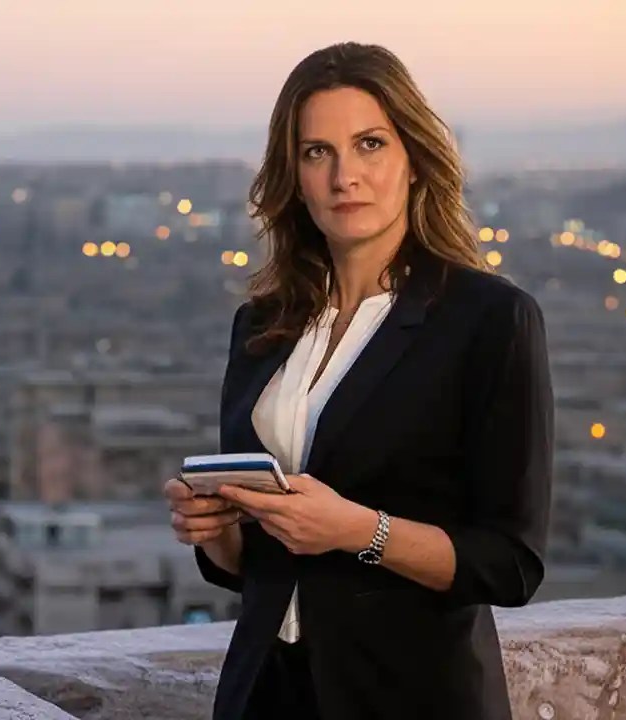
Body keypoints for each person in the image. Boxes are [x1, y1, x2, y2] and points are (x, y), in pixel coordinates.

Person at [163, 42, 553, 720]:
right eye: (317, 152)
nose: (345, 175)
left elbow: (510, 563)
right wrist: (215, 527)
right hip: (266, 694)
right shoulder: (262, 326)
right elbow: (255, 567)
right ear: (294, 176)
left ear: (413, 159)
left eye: (370, 143)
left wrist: (356, 530)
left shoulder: (489, 320)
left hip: (411, 697)